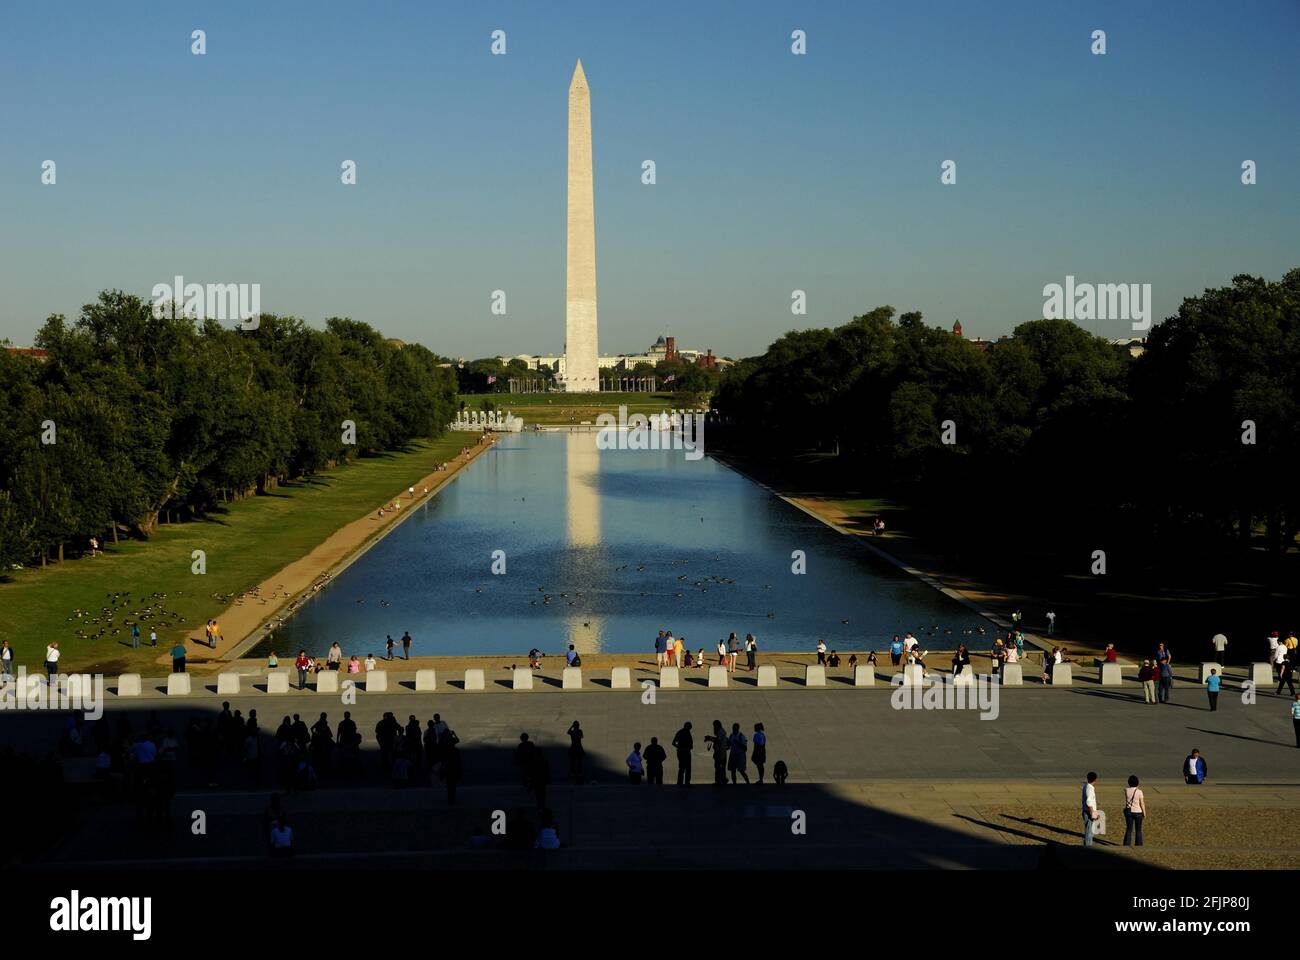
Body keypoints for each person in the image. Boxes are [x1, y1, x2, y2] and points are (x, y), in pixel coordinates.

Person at [1123, 775, 1146, 847]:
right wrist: (1144, 813)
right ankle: (1138, 844)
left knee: (1129, 829)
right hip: (1138, 812)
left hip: (1129, 812)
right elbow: (1142, 803)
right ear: (1137, 783)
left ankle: (1126, 844)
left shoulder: (1126, 790)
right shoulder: (1139, 792)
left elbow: (1126, 790)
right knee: (1138, 830)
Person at [706, 720, 728, 786]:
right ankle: (722, 779)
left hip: (720, 753)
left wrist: (710, 738)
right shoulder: (721, 731)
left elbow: (718, 740)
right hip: (721, 752)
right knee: (720, 767)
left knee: (718, 767)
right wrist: (710, 738)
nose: (714, 727)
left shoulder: (720, 731)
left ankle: (719, 780)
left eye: (714, 725)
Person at [1081, 771, 1100, 847]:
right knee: (1089, 831)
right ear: (1095, 780)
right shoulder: (1090, 788)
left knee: (1089, 830)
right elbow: (1089, 802)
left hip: (1086, 810)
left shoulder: (1086, 786)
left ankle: (1088, 845)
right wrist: (1093, 814)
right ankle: (1088, 846)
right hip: (1089, 811)